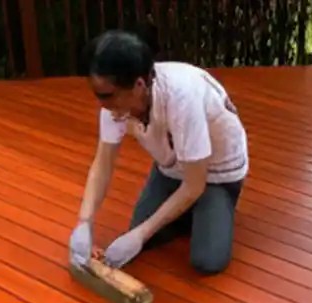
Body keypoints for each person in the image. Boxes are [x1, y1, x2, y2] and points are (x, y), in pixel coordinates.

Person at [70, 30, 249, 275]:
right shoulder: (115, 104)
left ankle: (214, 204)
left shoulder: (182, 96)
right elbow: (103, 163)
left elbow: (195, 184)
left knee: (208, 260)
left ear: (139, 85)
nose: (102, 104)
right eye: (97, 95)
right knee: (145, 234)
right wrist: (85, 221)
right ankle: (189, 211)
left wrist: (141, 234)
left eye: (106, 96)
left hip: (216, 174)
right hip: (172, 167)